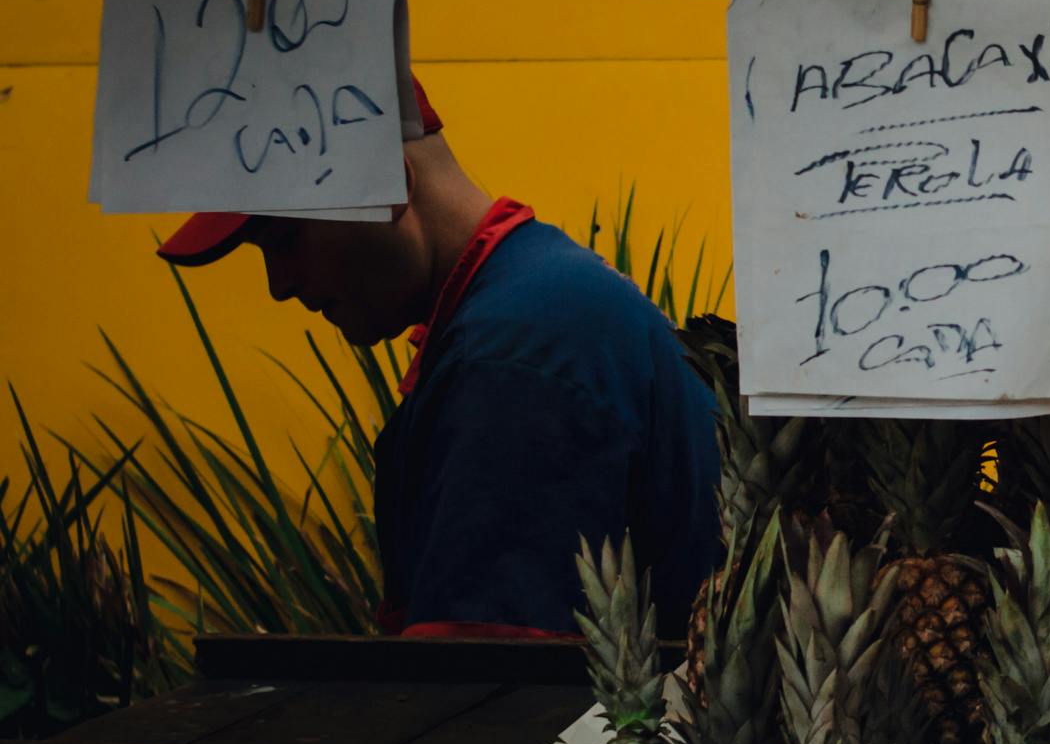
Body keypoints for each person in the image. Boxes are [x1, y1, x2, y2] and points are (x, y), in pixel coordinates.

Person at [156, 75, 720, 635]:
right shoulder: (541, 299)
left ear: (390, 189)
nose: (279, 284)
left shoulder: (513, 359)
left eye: (284, 239)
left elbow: (487, 693)